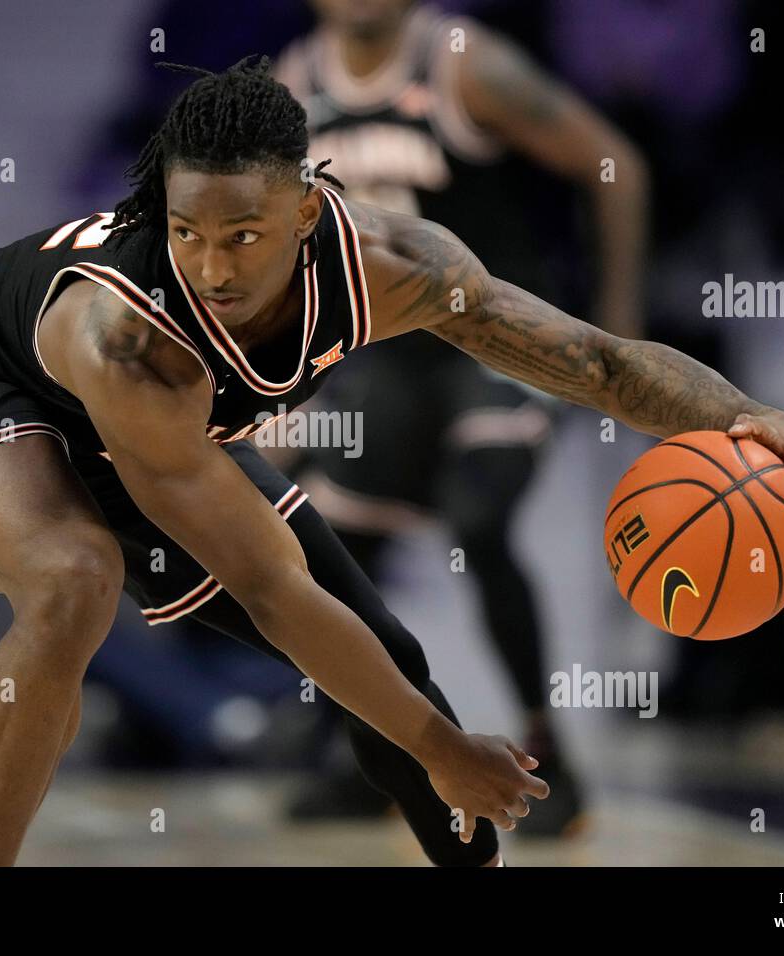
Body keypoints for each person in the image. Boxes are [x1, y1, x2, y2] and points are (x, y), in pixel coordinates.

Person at [0, 56, 784, 867]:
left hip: (147, 434)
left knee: (393, 672)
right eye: (188, 233)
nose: (214, 268)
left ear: (308, 210)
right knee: (75, 580)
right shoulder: (134, 336)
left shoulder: (398, 264)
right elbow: (271, 590)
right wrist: (445, 745)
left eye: (244, 236)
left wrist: (743, 413)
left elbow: (597, 361)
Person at [270, 0, 649, 831]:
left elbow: (613, 162)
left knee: (481, 521)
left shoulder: (461, 63)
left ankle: (551, 755)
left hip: (493, 342)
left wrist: (615, 334)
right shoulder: (290, 89)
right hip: (385, 359)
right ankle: (373, 756)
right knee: (333, 555)